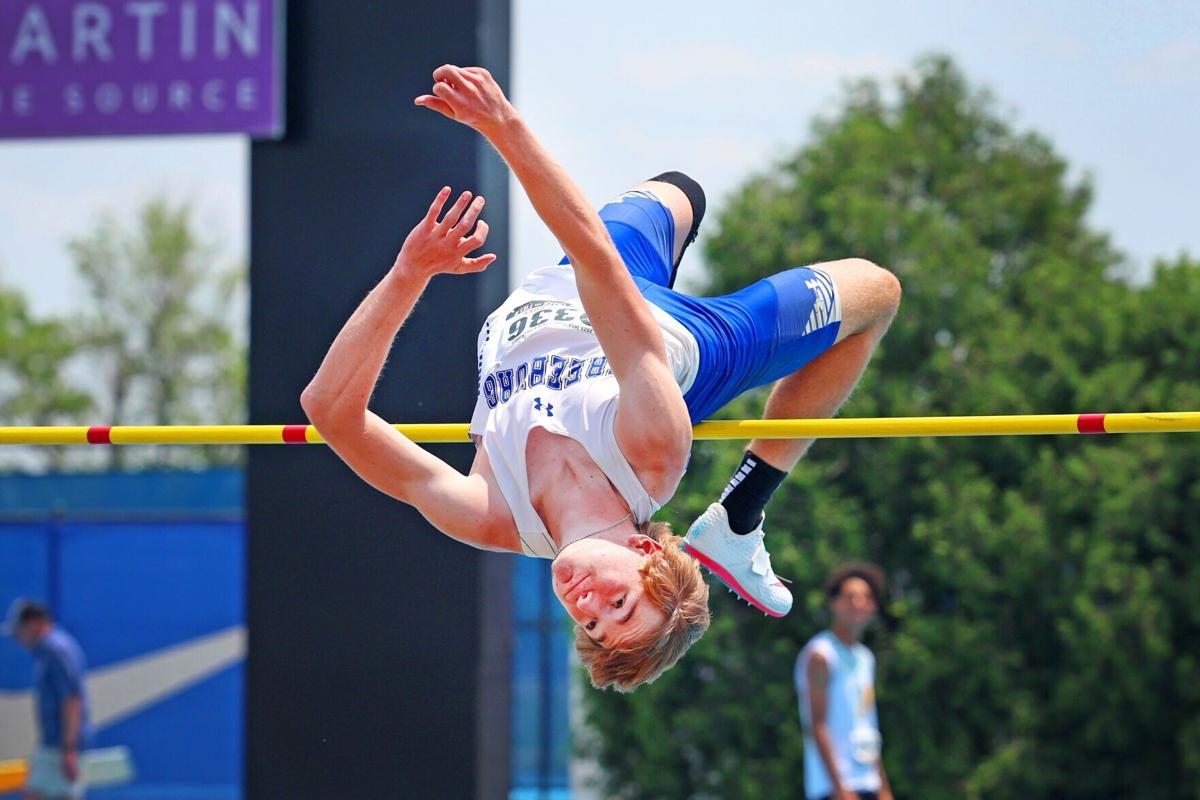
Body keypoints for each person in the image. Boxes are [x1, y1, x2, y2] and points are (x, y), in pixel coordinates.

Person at [301, 64, 900, 690]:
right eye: (619, 605)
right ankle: (741, 512)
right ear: (646, 553)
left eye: (591, 625)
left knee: (678, 192)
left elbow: (331, 412)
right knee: (875, 292)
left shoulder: (489, 514)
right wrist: (502, 125)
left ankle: (734, 520)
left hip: (570, 284)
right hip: (685, 337)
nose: (587, 605)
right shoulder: (650, 451)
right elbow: (599, 263)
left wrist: (409, 273)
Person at [795, 564, 893, 800]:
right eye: (850, 597)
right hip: (833, 789)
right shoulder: (821, 655)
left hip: (868, 783)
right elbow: (817, 724)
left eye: (866, 597)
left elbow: (866, 725)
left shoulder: (865, 658)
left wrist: (883, 786)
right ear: (834, 603)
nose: (859, 603)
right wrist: (840, 788)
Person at [2, 598, 91, 800]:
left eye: (19, 630)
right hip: (56, 744)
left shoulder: (55, 650)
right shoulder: (51, 650)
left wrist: (69, 748)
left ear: (34, 623)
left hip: (58, 746)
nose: (17, 638)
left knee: (37, 794)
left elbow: (72, 700)